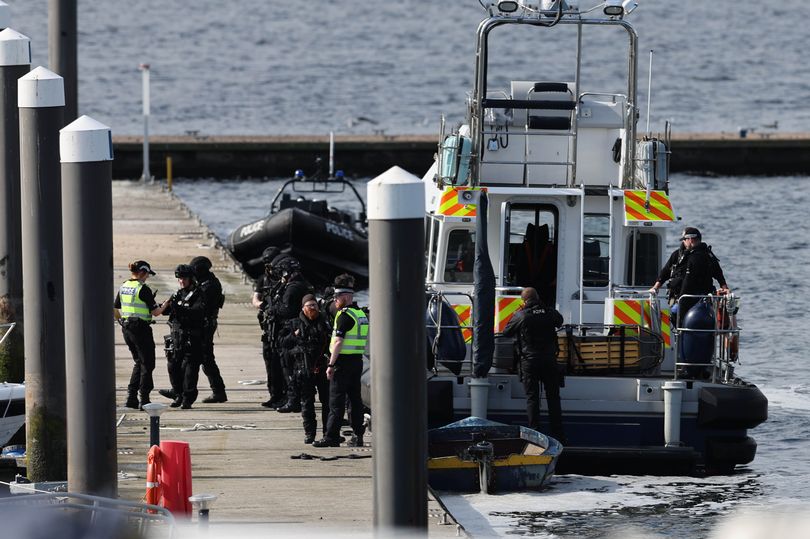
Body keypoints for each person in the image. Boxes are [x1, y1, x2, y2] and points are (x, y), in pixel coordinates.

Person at [501, 287, 565, 441]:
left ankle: (535, 435)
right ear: (538, 298)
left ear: (524, 301)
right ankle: (558, 435)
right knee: (553, 398)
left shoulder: (521, 315)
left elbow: (506, 332)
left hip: (530, 362)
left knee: (532, 399)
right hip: (549, 361)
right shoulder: (549, 312)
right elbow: (560, 321)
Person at [313, 285, 369, 448]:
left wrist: (331, 363)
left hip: (342, 363)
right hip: (357, 361)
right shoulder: (361, 314)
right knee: (355, 400)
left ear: (344, 297)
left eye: (336, 299)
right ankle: (358, 435)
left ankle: (331, 436)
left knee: (336, 401)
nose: (335, 302)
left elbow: (338, 341)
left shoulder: (344, 316)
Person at [278, 294, 332, 444]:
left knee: (327, 402)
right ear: (303, 308)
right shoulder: (294, 323)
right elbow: (282, 342)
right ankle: (310, 433)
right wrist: (295, 337)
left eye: (315, 305)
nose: (312, 308)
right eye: (309, 306)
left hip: (322, 368)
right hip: (303, 369)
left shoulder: (325, 323)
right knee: (307, 404)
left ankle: (328, 433)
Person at [114, 260, 164, 409]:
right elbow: (156, 313)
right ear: (142, 272)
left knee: (139, 362)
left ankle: (131, 397)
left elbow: (115, 308)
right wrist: (166, 304)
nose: (147, 277)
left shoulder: (124, 286)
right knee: (148, 363)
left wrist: (121, 321)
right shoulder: (143, 289)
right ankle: (145, 399)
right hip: (141, 329)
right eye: (147, 274)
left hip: (127, 329)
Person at [649, 226, 729, 318]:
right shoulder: (678, 255)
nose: (683, 242)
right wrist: (656, 287)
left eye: (684, 239)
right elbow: (665, 271)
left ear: (690, 239)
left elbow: (718, 273)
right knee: (675, 312)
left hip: (697, 297)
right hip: (681, 297)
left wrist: (725, 289)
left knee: (678, 313)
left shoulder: (706, 256)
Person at [268, 257, 313, 413]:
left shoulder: (293, 288)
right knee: (287, 365)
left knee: (289, 366)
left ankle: (293, 400)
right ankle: (291, 398)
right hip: (290, 329)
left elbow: (286, 309)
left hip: (291, 330)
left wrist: (273, 309)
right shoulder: (294, 285)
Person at [159, 264, 206, 409]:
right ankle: (178, 394)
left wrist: (179, 309)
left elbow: (198, 312)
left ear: (191, 278)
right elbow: (166, 312)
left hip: (192, 337)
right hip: (176, 337)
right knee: (173, 366)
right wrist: (163, 306)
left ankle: (188, 398)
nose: (181, 281)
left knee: (190, 370)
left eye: (184, 278)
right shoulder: (178, 294)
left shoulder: (199, 294)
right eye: (179, 279)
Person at [252, 247, 287, 408]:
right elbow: (255, 299)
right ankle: (274, 395)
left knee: (284, 364)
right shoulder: (263, 280)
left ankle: (286, 395)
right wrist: (264, 306)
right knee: (271, 364)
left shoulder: (285, 280)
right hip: (269, 328)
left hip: (283, 328)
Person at [190, 256, 228, 403]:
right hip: (203, 325)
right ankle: (218, 391)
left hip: (205, 326)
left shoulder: (209, 285)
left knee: (206, 359)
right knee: (206, 360)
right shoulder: (205, 282)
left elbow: (200, 305)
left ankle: (218, 391)